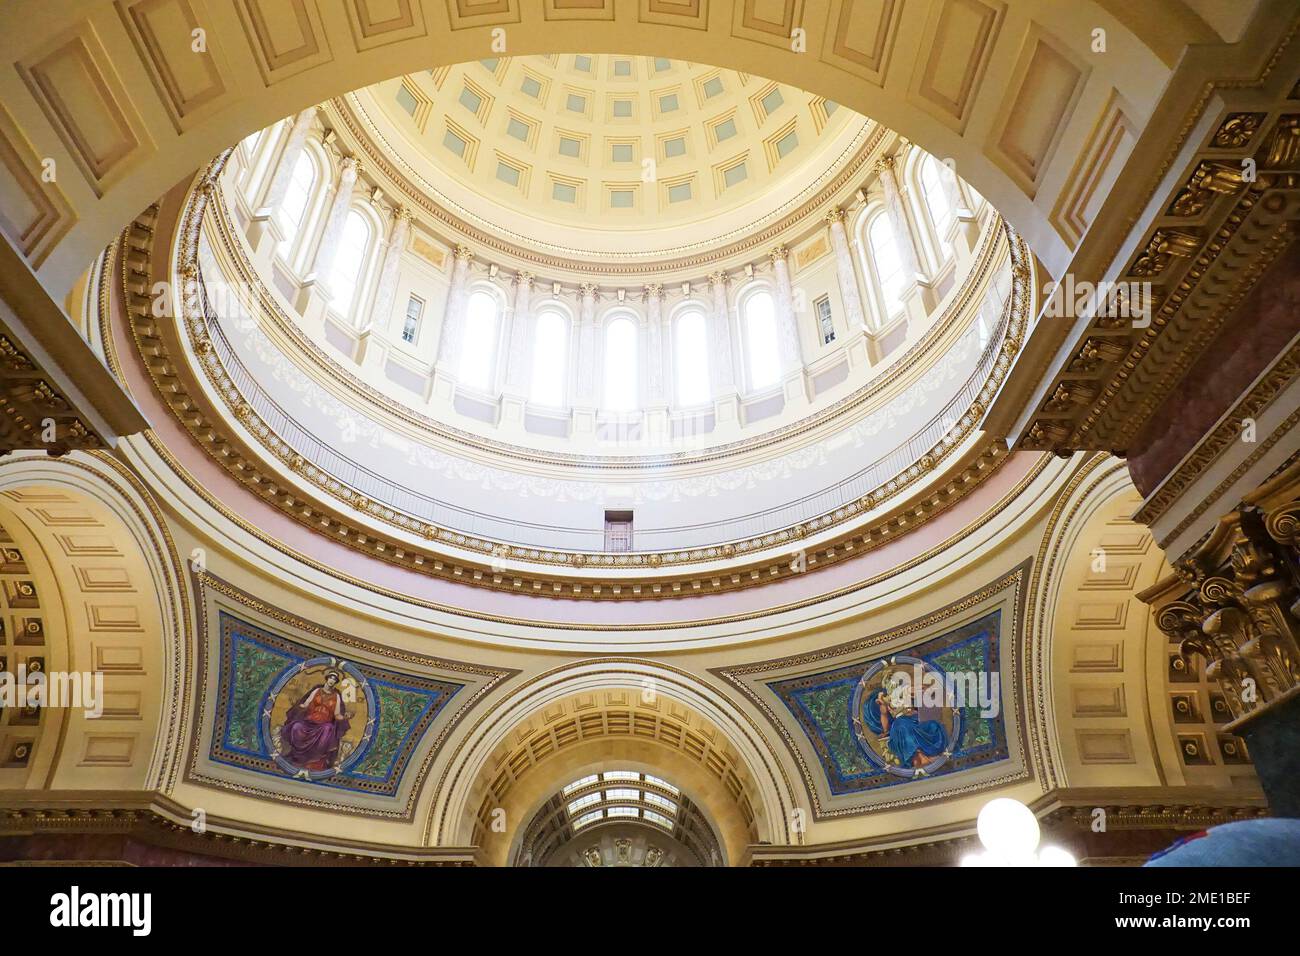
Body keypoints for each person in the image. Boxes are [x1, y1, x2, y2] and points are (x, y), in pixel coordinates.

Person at [279, 669, 350, 772]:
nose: (332, 680)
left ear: (335, 682)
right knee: (296, 727)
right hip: (309, 722)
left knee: (328, 729)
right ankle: (297, 756)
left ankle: (315, 760)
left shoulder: (336, 696)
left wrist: (345, 717)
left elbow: (337, 714)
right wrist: (299, 705)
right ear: (327, 679)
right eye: (331, 678)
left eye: (334, 679)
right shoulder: (317, 691)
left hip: (324, 724)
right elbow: (306, 704)